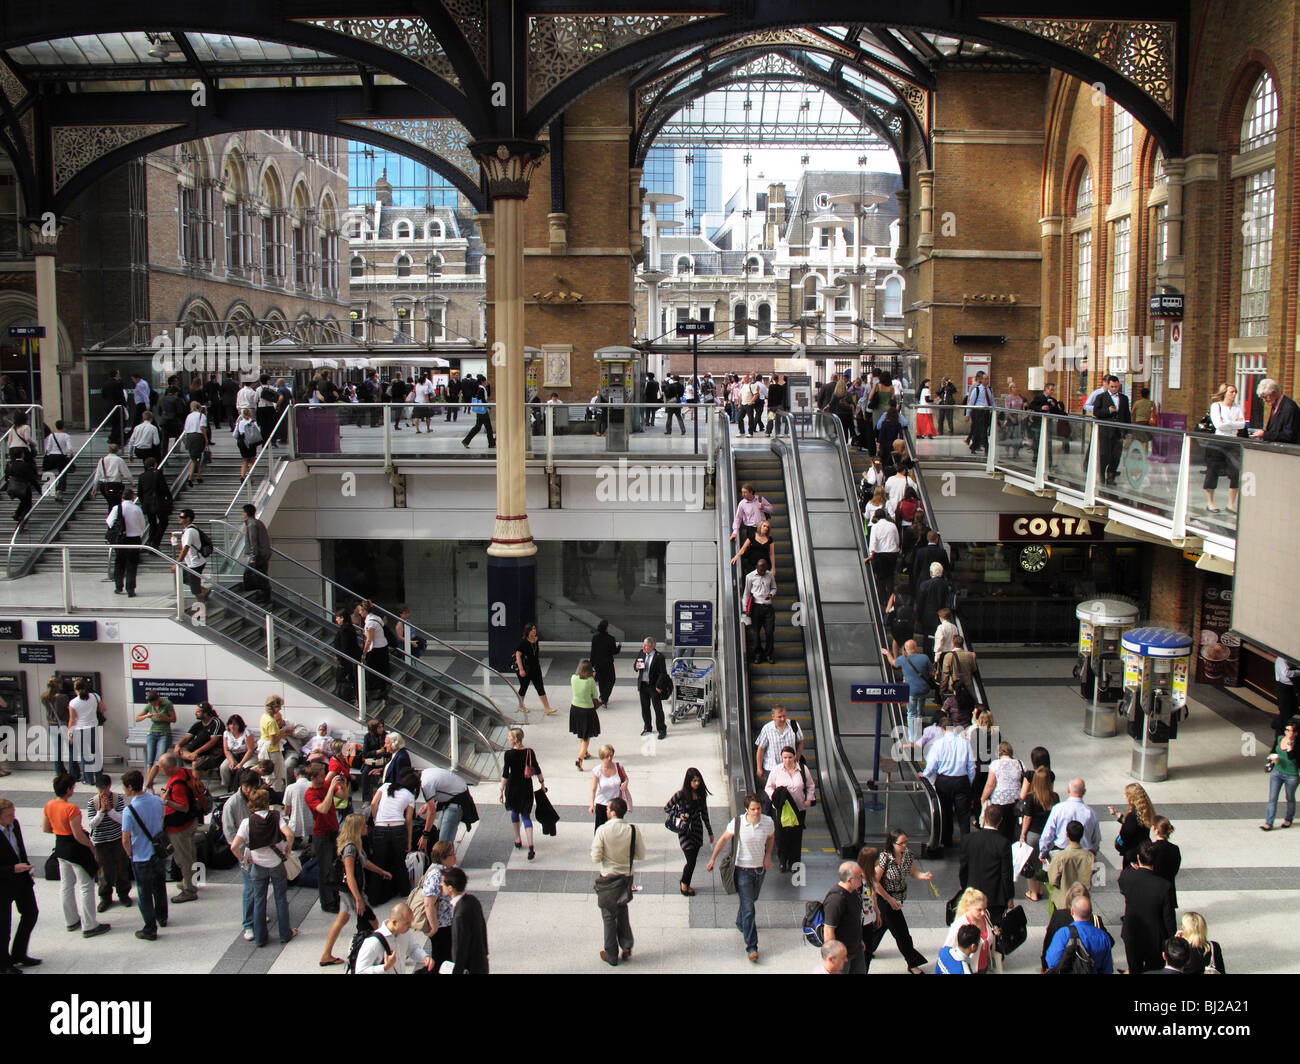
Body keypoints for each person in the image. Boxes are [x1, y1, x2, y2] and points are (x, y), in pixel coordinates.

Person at [706, 793, 774, 962]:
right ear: (746, 809)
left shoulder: (768, 822)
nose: (757, 812)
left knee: (751, 900)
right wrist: (713, 858)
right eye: (753, 809)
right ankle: (752, 947)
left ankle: (740, 921)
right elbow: (723, 840)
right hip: (742, 869)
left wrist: (768, 856)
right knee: (749, 908)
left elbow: (771, 838)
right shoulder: (737, 823)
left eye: (759, 808)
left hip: (759, 870)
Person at [43, 774, 108, 938]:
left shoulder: (49, 805)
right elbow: (78, 834)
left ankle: (71, 920)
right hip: (75, 849)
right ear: (68, 790)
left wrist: (59, 830)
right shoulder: (71, 809)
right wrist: (91, 847)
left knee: (66, 884)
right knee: (85, 885)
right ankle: (90, 925)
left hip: (60, 846)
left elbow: (46, 828)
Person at [231, 788, 298, 947]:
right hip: (276, 863)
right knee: (281, 899)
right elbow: (289, 834)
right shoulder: (276, 817)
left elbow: (234, 846)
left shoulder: (247, 823)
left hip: (258, 865)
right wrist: (287, 851)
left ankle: (260, 938)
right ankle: (285, 933)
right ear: (267, 803)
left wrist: (243, 860)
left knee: (259, 900)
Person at [320, 813, 387, 966]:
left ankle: (326, 954)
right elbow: (350, 876)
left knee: (342, 919)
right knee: (373, 921)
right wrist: (359, 899)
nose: (367, 827)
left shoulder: (354, 843)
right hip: (353, 892)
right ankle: (387, 951)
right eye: (363, 825)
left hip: (347, 892)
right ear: (357, 828)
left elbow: (364, 862)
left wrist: (381, 872)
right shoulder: (350, 848)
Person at [591, 797, 643, 966]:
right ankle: (627, 945)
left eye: (607, 809)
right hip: (626, 877)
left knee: (608, 915)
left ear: (613, 813)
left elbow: (595, 857)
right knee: (622, 907)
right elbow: (640, 855)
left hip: (608, 878)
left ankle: (611, 953)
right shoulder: (633, 830)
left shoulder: (602, 831)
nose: (606, 811)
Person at [874, 829, 931, 973]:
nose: (905, 845)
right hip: (886, 899)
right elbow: (875, 881)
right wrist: (889, 899)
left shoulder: (908, 855)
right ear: (892, 844)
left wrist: (923, 875)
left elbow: (913, 872)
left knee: (882, 926)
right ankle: (912, 963)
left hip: (898, 898)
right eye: (901, 843)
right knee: (902, 933)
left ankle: (866, 948)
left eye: (906, 842)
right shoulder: (884, 858)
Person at [1119, 840, 1177, 974]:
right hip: (1155, 938)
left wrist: (1130, 868)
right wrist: (1172, 938)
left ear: (1139, 857)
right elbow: (1168, 918)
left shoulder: (1127, 876)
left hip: (1132, 933)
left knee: (1135, 969)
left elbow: (1122, 886)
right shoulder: (1164, 885)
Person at [922, 716, 976, 847]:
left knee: (945, 812)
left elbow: (932, 765)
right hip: (961, 780)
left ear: (942, 728)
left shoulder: (938, 744)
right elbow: (971, 767)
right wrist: (968, 782)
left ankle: (947, 840)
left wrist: (924, 775)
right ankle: (966, 843)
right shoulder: (965, 743)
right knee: (963, 815)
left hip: (944, 781)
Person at [0, 797, 39, 971]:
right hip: (3, 884)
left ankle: (19, 953)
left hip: (21, 879)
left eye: (13, 812)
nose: (13, 816)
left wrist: (25, 865)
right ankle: (3, 963)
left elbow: (20, 848)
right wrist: (12, 869)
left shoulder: (15, 824)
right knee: (3, 926)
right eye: (9, 814)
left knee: (31, 913)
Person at [84, 773, 131, 913]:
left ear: (110, 786)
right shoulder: (92, 802)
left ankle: (124, 894)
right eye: (100, 789)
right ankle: (105, 897)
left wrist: (110, 811)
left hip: (117, 839)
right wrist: (101, 812)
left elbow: (123, 820)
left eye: (105, 788)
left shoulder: (118, 799)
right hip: (100, 842)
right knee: (103, 871)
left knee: (121, 867)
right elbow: (92, 824)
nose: (103, 792)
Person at [369, 770, 418, 905]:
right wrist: (408, 841)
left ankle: (373, 897)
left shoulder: (385, 786)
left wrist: (376, 818)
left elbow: (373, 804)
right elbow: (408, 820)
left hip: (380, 827)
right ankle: (404, 891)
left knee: (378, 861)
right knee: (399, 861)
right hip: (398, 829)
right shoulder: (409, 796)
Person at [765, 746, 816, 873]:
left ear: (795, 757)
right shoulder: (776, 770)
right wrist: (776, 797)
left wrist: (809, 798)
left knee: (796, 836)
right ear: (781, 758)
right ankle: (783, 861)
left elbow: (810, 786)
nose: (787, 760)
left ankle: (794, 862)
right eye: (785, 758)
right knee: (781, 836)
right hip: (781, 809)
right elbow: (768, 787)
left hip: (799, 808)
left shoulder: (803, 770)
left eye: (790, 757)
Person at [665, 768, 714, 896]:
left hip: (697, 830)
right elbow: (667, 807)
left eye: (698, 780)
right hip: (685, 830)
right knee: (691, 861)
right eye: (694, 781)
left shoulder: (701, 795)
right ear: (689, 781)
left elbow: (704, 813)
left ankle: (685, 882)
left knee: (693, 860)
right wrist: (678, 814)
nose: (697, 783)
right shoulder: (681, 794)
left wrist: (710, 831)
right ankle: (684, 885)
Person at [158, 754, 199, 904]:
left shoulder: (177, 784)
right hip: (190, 821)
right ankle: (191, 882)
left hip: (180, 827)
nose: (160, 770)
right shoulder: (184, 772)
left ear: (169, 767)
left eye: (162, 767)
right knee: (191, 854)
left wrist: (166, 801)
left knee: (184, 858)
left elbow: (183, 807)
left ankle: (188, 890)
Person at [1043, 891, 1115, 973]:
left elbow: (1052, 962)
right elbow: (1107, 969)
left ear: (1072, 911)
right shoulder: (1103, 937)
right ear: (1091, 913)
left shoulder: (1063, 933)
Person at [1202, 383, 1246, 512]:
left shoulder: (1238, 408)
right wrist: (1233, 424)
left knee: (1235, 472)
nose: (1234, 394)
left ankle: (1231, 504)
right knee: (1212, 471)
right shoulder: (1216, 406)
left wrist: (1227, 423)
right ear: (1224, 393)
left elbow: (1242, 424)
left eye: (1235, 392)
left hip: (1233, 443)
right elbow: (1218, 425)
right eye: (1231, 391)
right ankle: (1210, 503)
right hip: (1218, 442)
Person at [356, 901, 433, 974]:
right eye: (407, 923)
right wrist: (384, 967)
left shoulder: (405, 933)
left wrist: (424, 957)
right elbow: (360, 971)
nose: (411, 926)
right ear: (394, 922)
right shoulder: (373, 942)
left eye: (411, 922)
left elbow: (412, 949)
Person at [500, 727, 543, 860]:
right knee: (526, 815)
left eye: (509, 737)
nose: (508, 738)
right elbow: (536, 767)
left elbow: (505, 773)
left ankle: (518, 838)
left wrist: (501, 789)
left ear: (514, 739)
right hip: (526, 785)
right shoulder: (529, 752)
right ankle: (531, 846)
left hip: (513, 786)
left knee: (514, 811)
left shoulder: (508, 754)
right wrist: (542, 782)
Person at [882, 640, 934, 747]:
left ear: (905, 649)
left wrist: (888, 653)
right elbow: (932, 673)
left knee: (911, 714)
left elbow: (893, 663)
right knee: (919, 713)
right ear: (916, 648)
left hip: (911, 691)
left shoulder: (903, 659)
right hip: (923, 690)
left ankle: (912, 739)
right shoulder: (924, 657)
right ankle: (918, 737)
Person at [821, 861, 868, 974]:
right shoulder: (836, 899)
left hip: (856, 949)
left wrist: (859, 940)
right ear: (849, 880)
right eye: (859, 876)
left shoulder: (853, 892)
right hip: (842, 955)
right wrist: (833, 957)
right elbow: (828, 930)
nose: (862, 878)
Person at [418, 840, 457, 971]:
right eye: (452, 854)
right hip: (441, 926)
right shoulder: (436, 875)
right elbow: (428, 903)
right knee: (442, 960)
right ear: (443, 858)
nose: (455, 856)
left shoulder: (446, 871)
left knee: (445, 959)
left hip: (447, 923)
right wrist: (434, 927)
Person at [1039, 777, 1101, 860]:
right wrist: (1093, 852)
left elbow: (1048, 833)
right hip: (1083, 856)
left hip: (1061, 854)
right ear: (1084, 792)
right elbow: (1096, 839)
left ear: (1068, 790)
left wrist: (1043, 851)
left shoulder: (1058, 809)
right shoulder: (1091, 813)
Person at [443, 866, 489, 973]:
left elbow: (460, 948)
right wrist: (485, 954)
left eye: (443, 883)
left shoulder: (460, 915)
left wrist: (457, 970)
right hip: (481, 962)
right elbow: (483, 929)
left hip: (470, 967)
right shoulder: (473, 900)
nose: (441, 885)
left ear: (450, 888)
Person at [945, 888, 997, 974]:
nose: (983, 913)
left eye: (984, 908)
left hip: (983, 966)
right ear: (968, 906)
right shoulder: (959, 925)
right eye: (979, 910)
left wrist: (994, 931)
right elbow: (947, 948)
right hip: (968, 969)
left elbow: (988, 937)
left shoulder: (986, 915)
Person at [980, 742, 1024, 841]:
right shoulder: (1020, 763)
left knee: (999, 828)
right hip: (1015, 801)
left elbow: (990, 785)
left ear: (999, 752)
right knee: (1012, 828)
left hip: (999, 801)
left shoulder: (995, 764)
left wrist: (983, 798)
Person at [1092, 375, 1131, 484]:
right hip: (1105, 431)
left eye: (1116, 387)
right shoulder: (1101, 397)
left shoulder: (1124, 398)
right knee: (1104, 454)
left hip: (1118, 432)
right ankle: (1101, 475)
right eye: (1112, 386)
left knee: (1116, 455)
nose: (1114, 389)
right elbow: (1096, 412)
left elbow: (1127, 415)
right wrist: (1108, 411)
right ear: (1108, 385)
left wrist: (1128, 430)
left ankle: (1111, 475)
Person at [1263, 719, 1300, 830]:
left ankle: (1288, 819)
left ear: (1296, 733)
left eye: (1292, 731)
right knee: (1272, 798)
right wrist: (1271, 761)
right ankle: (1269, 823)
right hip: (1277, 772)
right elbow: (1273, 752)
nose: (1289, 733)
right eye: (1287, 730)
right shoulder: (1279, 739)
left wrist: (1290, 750)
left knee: (1290, 797)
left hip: (1291, 775)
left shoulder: (1297, 745)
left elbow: (1296, 760)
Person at [1109, 782, 1155, 868]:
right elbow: (1136, 826)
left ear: (1131, 797)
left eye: (1126, 795)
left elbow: (1125, 835)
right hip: (1144, 849)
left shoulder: (1132, 816)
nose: (1124, 797)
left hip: (1132, 853)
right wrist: (1119, 816)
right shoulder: (1146, 810)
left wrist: (1118, 844)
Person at [1047, 819, 1095, 902]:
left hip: (1063, 900)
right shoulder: (1090, 856)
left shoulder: (1060, 856)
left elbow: (1053, 880)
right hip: (1082, 900)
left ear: (1067, 834)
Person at [754, 704, 803, 784]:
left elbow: (800, 743)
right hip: (772, 768)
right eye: (779, 717)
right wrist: (759, 768)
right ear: (773, 717)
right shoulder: (767, 729)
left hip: (790, 766)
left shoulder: (793, 725)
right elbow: (761, 749)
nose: (783, 719)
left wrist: (797, 758)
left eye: (784, 716)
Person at [134, 689, 176, 782]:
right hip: (152, 733)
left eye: (154, 703)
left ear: (157, 699)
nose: (153, 705)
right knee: (150, 759)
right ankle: (149, 781)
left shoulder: (167, 703)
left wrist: (162, 717)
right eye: (151, 704)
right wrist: (146, 716)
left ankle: (148, 782)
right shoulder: (150, 705)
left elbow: (173, 719)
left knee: (158, 759)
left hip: (164, 733)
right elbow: (137, 718)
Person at [513, 622, 554, 716]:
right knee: (524, 687)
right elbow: (518, 655)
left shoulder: (536, 640)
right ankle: (520, 705)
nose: (534, 631)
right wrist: (521, 669)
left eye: (534, 629)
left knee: (540, 686)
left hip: (536, 667)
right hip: (526, 668)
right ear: (528, 631)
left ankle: (547, 708)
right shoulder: (523, 642)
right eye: (532, 629)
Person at [743, 557, 777, 666]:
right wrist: (745, 610)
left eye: (764, 570)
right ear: (756, 567)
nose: (762, 572)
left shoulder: (770, 575)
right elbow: (746, 593)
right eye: (760, 570)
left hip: (768, 607)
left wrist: (771, 594)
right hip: (755, 607)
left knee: (769, 632)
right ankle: (758, 654)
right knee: (756, 633)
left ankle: (768, 654)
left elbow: (774, 588)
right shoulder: (749, 577)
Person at [634, 636, 669, 740]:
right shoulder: (641, 653)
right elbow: (635, 665)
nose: (643, 647)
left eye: (646, 646)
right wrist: (636, 667)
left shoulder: (659, 657)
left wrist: (659, 686)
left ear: (652, 647)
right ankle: (647, 727)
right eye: (643, 645)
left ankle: (662, 729)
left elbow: (663, 673)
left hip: (653, 686)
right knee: (645, 708)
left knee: (657, 709)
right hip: (643, 685)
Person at [174, 509, 209, 612]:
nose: (179, 519)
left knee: (196, 591)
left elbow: (186, 549)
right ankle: (205, 591)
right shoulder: (188, 530)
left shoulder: (190, 531)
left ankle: (202, 611)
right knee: (184, 578)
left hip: (195, 563)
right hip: (193, 562)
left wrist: (177, 563)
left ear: (188, 519)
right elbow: (185, 546)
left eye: (181, 517)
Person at [359, 601, 391, 705]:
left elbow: (369, 640)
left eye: (360, 610)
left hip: (376, 649)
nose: (359, 613)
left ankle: (377, 689)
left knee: (373, 670)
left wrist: (364, 653)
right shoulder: (377, 618)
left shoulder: (370, 623)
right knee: (382, 668)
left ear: (364, 610)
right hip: (383, 646)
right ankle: (383, 688)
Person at [1252, 377, 1300, 444]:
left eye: (1265, 397)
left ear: (1274, 393)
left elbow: (1288, 435)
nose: (1264, 400)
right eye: (1262, 397)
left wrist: (1265, 434)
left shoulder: (1288, 407)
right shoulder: (1275, 404)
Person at [90, 442, 134, 514]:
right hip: (116, 485)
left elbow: (97, 475)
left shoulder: (102, 460)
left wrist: (94, 488)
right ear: (117, 450)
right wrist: (132, 482)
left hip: (104, 485)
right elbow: (126, 474)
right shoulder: (119, 460)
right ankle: (115, 520)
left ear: (109, 450)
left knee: (111, 503)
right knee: (116, 504)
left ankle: (111, 519)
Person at [241, 503, 272, 602]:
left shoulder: (251, 524)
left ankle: (262, 596)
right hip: (264, 553)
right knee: (261, 574)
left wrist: (253, 557)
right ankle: (264, 595)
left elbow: (253, 541)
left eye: (243, 512)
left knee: (250, 575)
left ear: (246, 513)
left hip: (258, 555)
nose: (243, 514)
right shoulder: (258, 522)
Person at [730, 482, 773, 552]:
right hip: (751, 529)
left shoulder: (760, 499)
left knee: (764, 547)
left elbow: (771, 509)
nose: (743, 494)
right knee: (754, 549)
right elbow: (738, 518)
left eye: (745, 492)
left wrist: (763, 507)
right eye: (742, 492)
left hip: (762, 528)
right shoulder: (742, 504)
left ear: (751, 492)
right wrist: (735, 532)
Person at [1148, 816, 1181, 906]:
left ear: (1156, 830)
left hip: (1153, 889)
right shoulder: (1175, 849)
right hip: (1168, 888)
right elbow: (1175, 869)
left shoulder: (1151, 848)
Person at [589, 620, 621, 708]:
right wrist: (619, 647)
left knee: (602, 681)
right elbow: (614, 651)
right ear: (606, 628)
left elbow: (593, 652)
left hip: (598, 664)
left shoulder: (595, 638)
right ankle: (604, 698)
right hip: (608, 664)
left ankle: (603, 698)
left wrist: (591, 665)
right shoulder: (611, 638)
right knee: (611, 679)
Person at [258, 695, 287, 790]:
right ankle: (276, 794)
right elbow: (274, 740)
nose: (280, 709)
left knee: (268, 776)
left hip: (265, 749)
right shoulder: (271, 721)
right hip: (272, 751)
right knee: (276, 776)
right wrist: (283, 732)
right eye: (279, 707)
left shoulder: (264, 716)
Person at [181, 401, 208, 487]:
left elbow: (185, 428)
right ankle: (196, 476)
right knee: (198, 458)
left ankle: (193, 476)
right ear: (199, 408)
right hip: (198, 436)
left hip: (189, 437)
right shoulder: (202, 416)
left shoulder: (189, 416)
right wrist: (206, 438)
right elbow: (202, 427)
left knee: (194, 458)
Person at [966, 371, 993, 454]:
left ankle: (975, 446)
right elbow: (971, 402)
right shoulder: (976, 390)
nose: (987, 381)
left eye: (987, 379)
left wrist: (993, 410)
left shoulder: (990, 390)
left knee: (984, 430)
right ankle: (986, 447)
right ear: (981, 380)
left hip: (986, 412)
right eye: (985, 379)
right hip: (978, 412)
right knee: (980, 430)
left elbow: (992, 401)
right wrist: (967, 414)